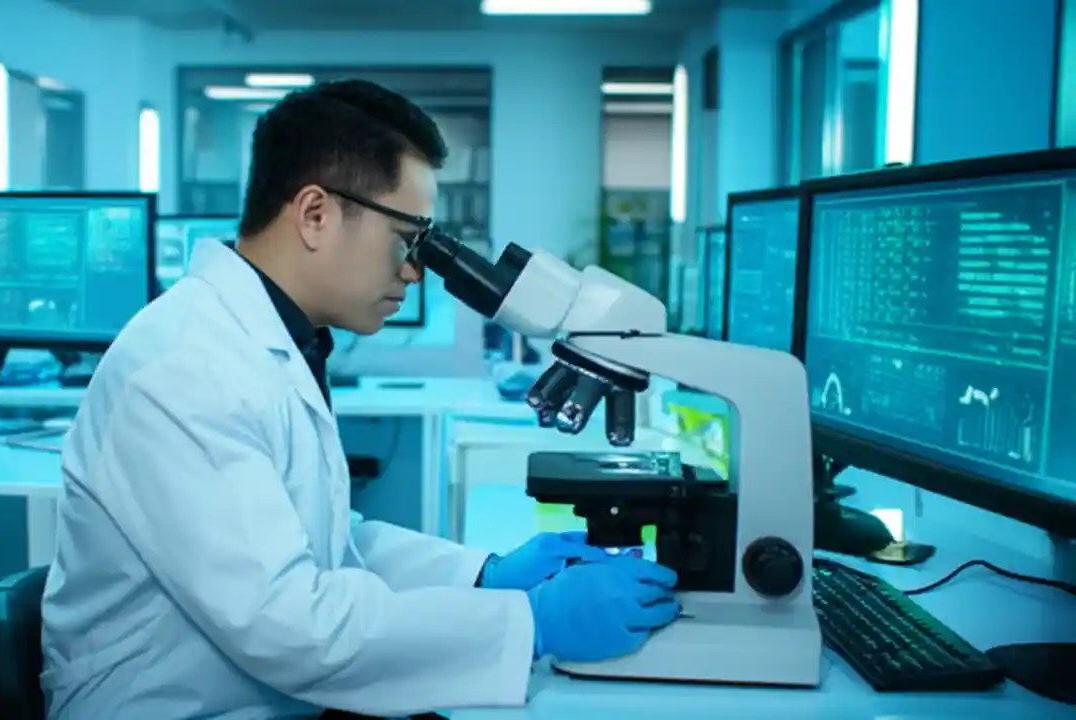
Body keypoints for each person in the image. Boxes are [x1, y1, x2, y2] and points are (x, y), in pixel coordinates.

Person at [40, 79, 682, 719]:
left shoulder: (271, 339)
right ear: (315, 214)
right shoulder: (182, 369)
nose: (415, 269)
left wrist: (484, 575)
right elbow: (292, 628)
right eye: (407, 239)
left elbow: (324, 544)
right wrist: (532, 621)